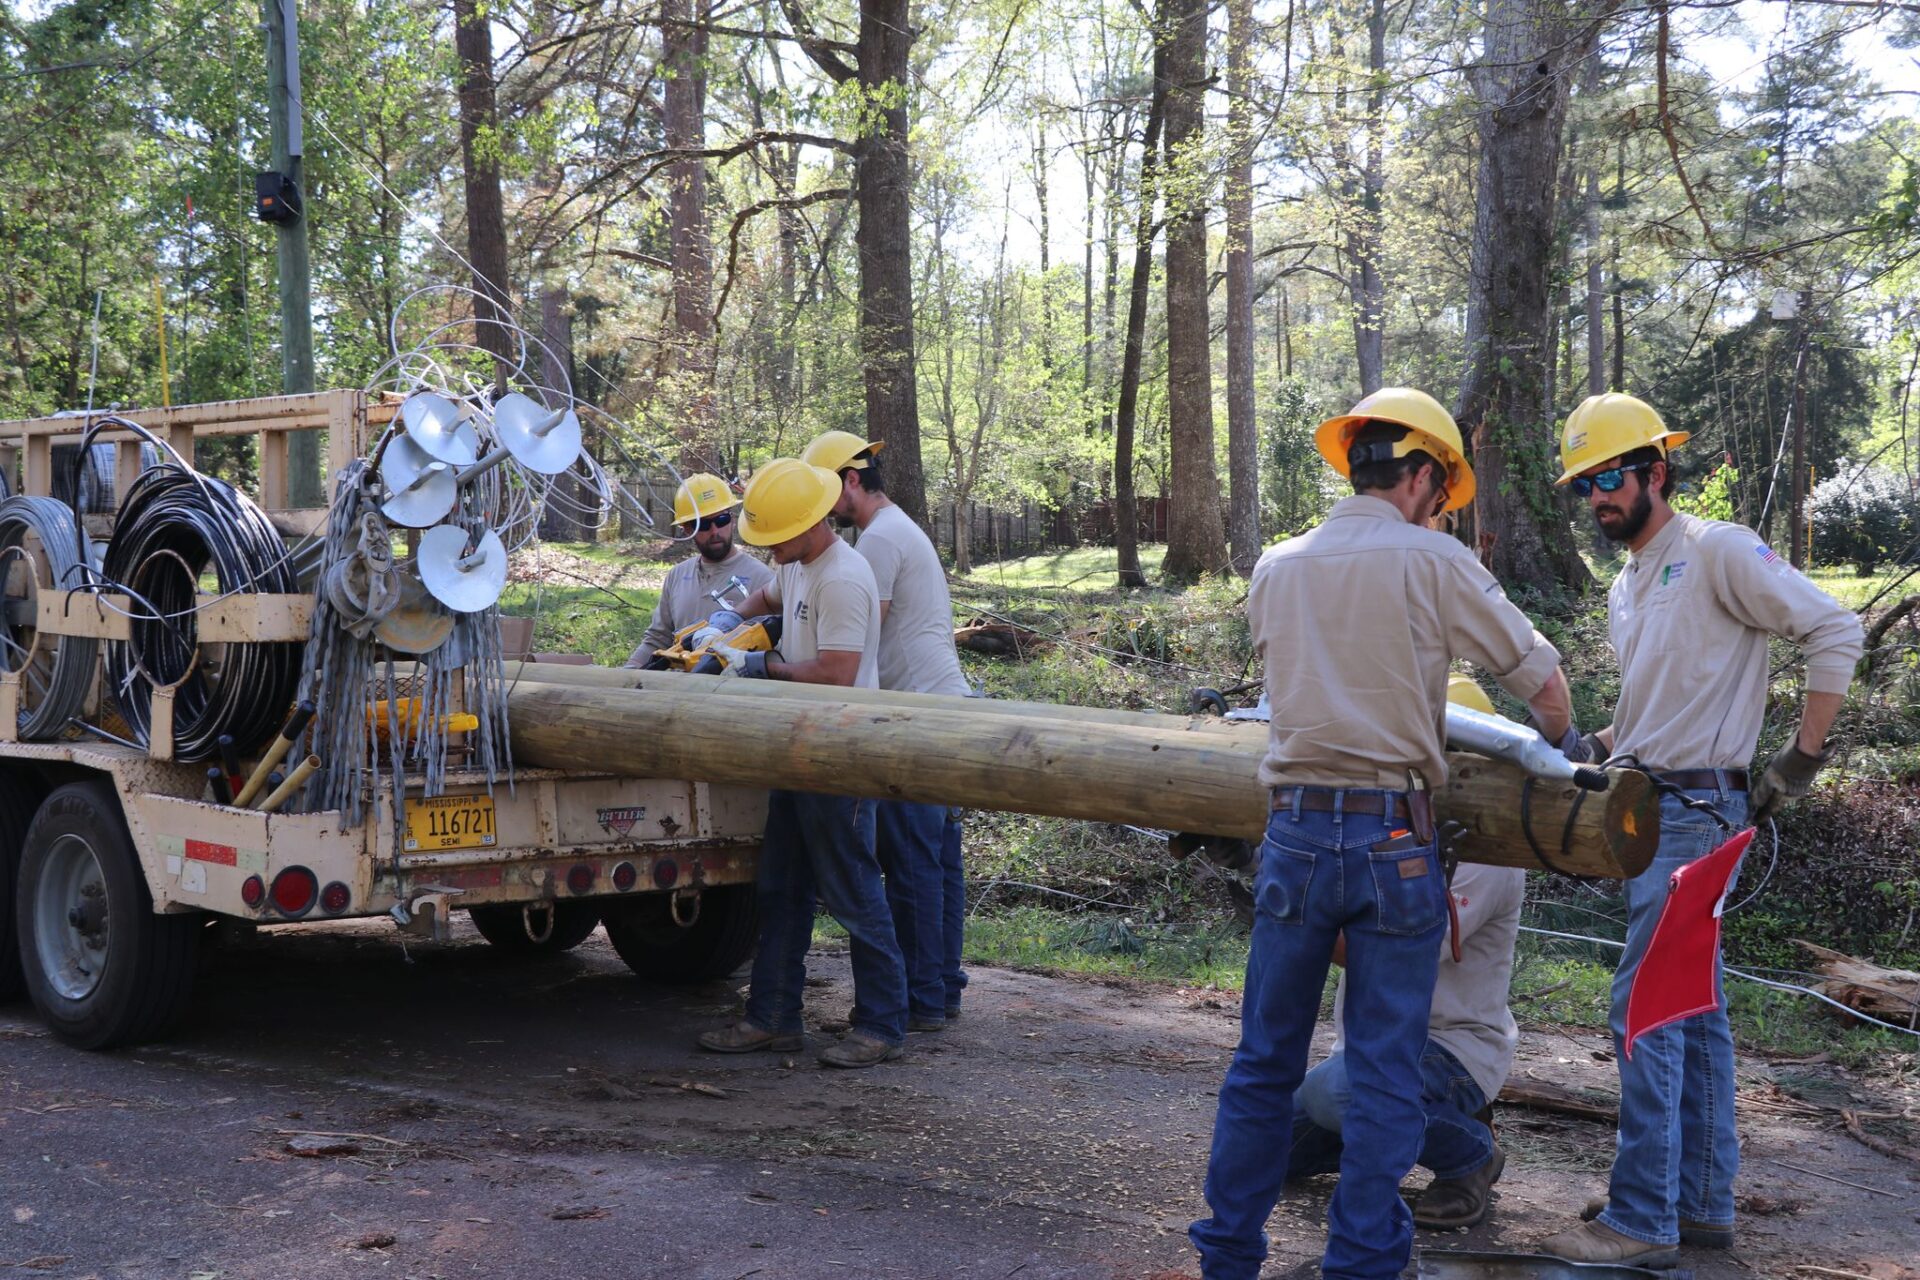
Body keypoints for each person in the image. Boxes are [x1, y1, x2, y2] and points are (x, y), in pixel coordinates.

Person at [1190, 387, 1575, 1280]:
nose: (1440, 511)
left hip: (1289, 837)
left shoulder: (1278, 565)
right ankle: (1362, 1262)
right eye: (1442, 495)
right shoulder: (1435, 564)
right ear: (1421, 475)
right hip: (1392, 839)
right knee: (1383, 1068)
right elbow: (1544, 688)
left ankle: (1226, 1255)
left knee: (1262, 1062)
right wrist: (1571, 760)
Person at [1536, 394, 1864, 1265]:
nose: (1599, 498)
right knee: (1692, 1010)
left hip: (1701, 814)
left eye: (1610, 478)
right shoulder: (1626, 583)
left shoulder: (1716, 550)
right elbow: (1645, 721)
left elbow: (1836, 627)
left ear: (1655, 470)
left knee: (1643, 1006)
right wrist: (1575, 746)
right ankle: (1701, 1206)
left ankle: (1642, 1219)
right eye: (1585, 487)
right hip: (1646, 808)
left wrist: (1800, 760)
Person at [692, 458, 909, 1069]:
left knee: (854, 891)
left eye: (776, 538)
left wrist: (763, 667)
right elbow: (767, 593)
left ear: (811, 525)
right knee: (781, 888)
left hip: (839, 753)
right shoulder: (798, 565)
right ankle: (774, 1017)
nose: (770, 550)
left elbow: (838, 673)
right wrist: (733, 619)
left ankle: (883, 1025)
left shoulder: (842, 577)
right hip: (796, 747)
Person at [801, 430, 971, 1030]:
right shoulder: (896, 530)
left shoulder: (877, 543)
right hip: (938, 707)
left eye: (826, 492)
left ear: (851, 481)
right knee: (935, 861)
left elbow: (853, 636)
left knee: (911, 863)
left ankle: (924, 999)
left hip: (914, 715)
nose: (822, 509)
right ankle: (940, 990)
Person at [623, 473, 774, 670]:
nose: (714, 531)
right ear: (686, 529)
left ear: (732, 519)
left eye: (721, 519)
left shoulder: (762, 578)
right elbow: (657, 639)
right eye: (702, 524)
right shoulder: (677, 575)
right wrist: (629, 671)